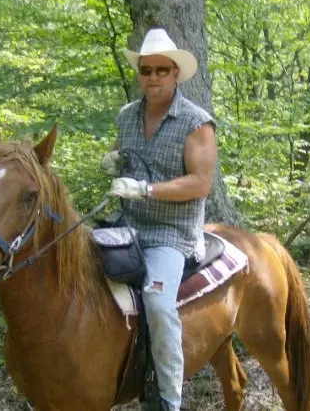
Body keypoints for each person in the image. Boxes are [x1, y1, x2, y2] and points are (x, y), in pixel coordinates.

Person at [102, 27, 217, 411]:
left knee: (156, 302)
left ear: (175, 74)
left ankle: (169, 399)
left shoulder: (196, 122)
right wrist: (113, 161)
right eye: (146, 70)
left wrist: (146, 189)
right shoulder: (126, 116)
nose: (152, 77)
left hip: (171, 234)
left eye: (161, 70)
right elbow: (123, 154)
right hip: (126, 224)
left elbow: (200, 183)